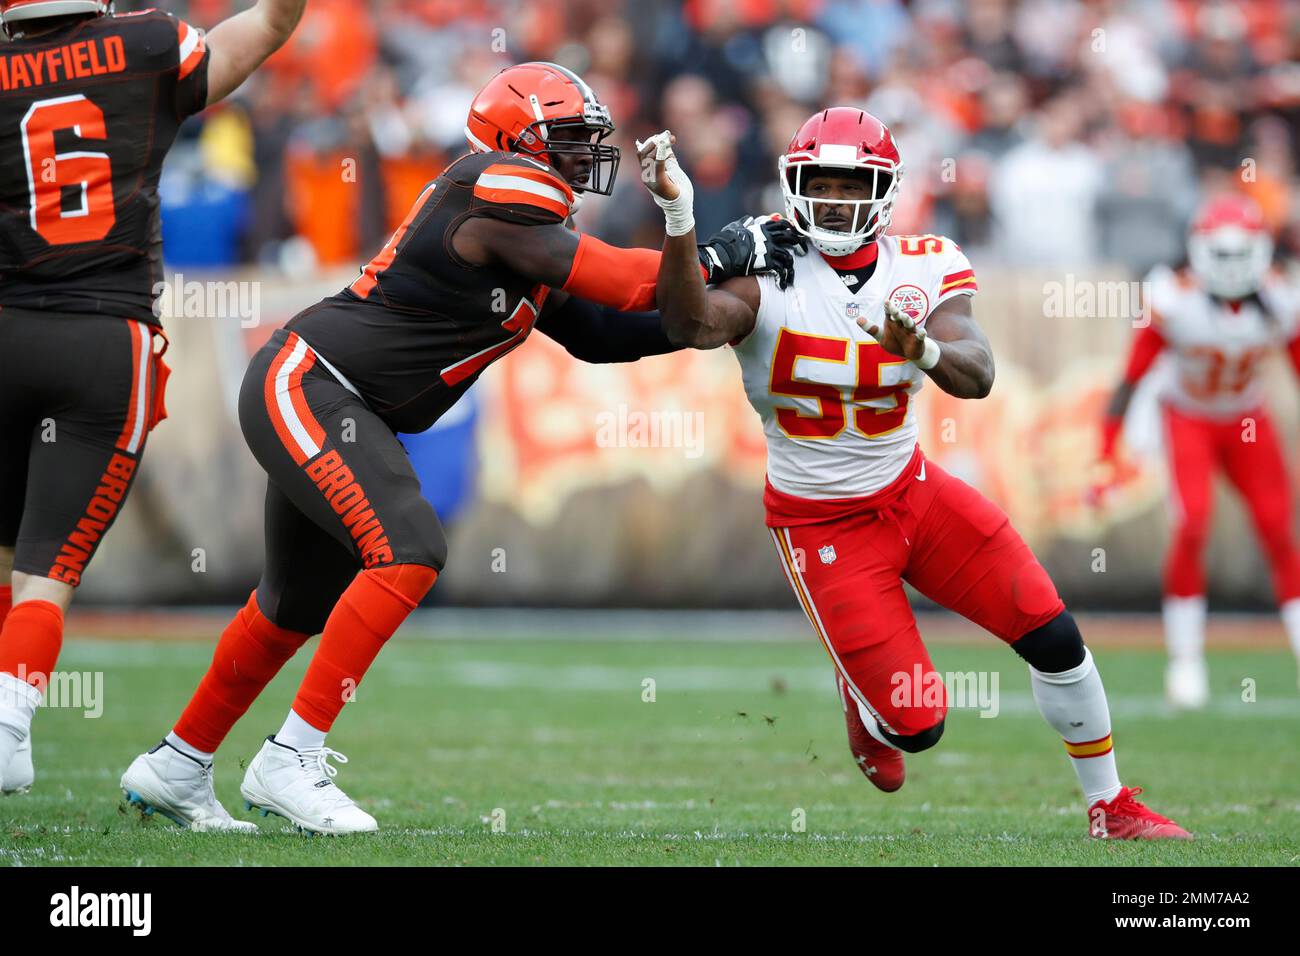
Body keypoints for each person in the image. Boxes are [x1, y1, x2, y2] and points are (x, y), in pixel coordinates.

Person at [120, 61, 802, 833]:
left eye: (586, 140)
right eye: (569, 140)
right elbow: (619, 282)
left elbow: (607, 334)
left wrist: (723, 313)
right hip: (312, 382)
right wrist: (715, 251)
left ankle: (178, 763)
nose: (584, 156)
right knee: (408, 547)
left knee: (291, 605)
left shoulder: (530, 234)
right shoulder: (497, 185)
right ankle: (291, 757)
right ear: (518, 142)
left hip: (338, 401)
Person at [640, 107, 1191, 839]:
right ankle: (863, 700)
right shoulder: (765, 276)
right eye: (820, 183)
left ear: (886, 190)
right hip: (823, 524)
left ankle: (1110, 806)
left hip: (915, 493)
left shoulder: (926, 265)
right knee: (918, 727)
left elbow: (979, 374)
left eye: (851, 184)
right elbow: (684, 324)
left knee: (1053, 634)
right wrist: (681, 215)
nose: (834, 200)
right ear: (793, 186)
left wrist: (922, 347)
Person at [0, 0, 310, 795]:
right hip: (106, 338)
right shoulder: (140, 43)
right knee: (47, 572)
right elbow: (272, 24)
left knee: (5, 557)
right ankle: (6, 728)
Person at [1098, 194, 1300, 708]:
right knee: (1192, 525)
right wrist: (1107, 450)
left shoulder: (1280, 298)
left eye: (1241, 255)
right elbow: (1132, 377)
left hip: (1246, 417)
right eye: (1222, 255)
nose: (1232, 268)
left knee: (1278, 529)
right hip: (1186, 415)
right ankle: (1185, 661)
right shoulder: (1175, 298)